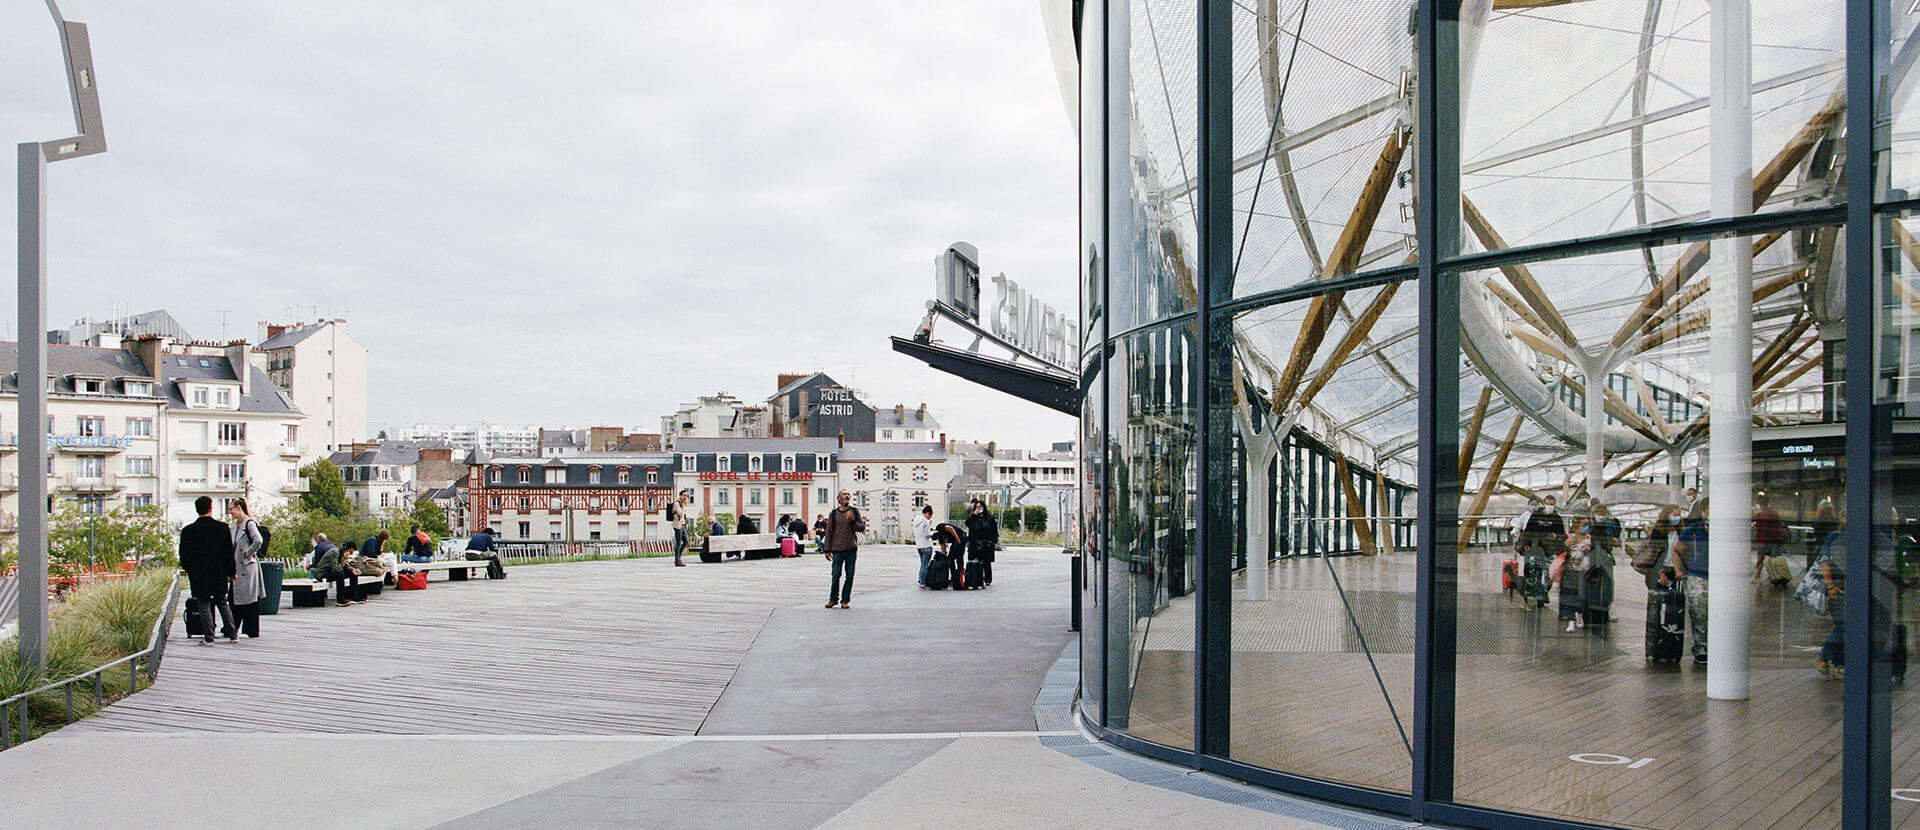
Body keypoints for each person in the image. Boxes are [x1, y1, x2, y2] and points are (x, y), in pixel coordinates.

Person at [178, 496, 235, 645]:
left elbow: (184, 555)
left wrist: (189, 569)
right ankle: (233, 634)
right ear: (211, 508)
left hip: (198, 575)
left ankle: (209, 637)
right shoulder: (222, 528)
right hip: (218, 572)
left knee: (203, 604)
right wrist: (231, 571)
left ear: (197, 509)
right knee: (222, 602)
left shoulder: (188, 531)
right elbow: (228, 553)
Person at [1673, 499, 1711, 664]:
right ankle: (1701, 646)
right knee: (1698, 612)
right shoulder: (1693, 531)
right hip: (1697, 576)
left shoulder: (1726, 531)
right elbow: (1677, 551)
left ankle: (1715, 645)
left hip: (1720, 577)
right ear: (1703, 512)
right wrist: (1678, 570)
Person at [227, 498, 266, 639]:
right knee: (235, 598)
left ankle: (250, 630)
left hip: (247, 567)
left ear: (238, 508)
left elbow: (258, 540)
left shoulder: (249, 523)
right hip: (239, 567)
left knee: (249, 599)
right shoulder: (235, 526)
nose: (229, 512)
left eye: (231, 509)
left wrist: (248, 553)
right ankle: (233, 627)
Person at [822, 490, 866, 608]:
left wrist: (853, 522)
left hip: (850, 549)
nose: (846, 496)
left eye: (848, 494)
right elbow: (829, 532)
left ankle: (845, 600)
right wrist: (827, 550)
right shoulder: (834, 514)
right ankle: (833, 599)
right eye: (844, 494)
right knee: (836, 575)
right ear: (839, 499)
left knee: (849, 576)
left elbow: (861, 528)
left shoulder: (854, 511)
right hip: (837, 549)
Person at [1580, 504, 1621, 629]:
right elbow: (1579, 535)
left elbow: (1616, 539)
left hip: (1605, 555)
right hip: (1590, 555)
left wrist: (1614, 541)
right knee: (1588, 582)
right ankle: (1584, 611)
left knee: (1607, 582)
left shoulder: (1610, 524)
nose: (1601, 517)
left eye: (1603, 514)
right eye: (1598, 514)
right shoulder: (1587, 525)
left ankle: (1608, 609)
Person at [1814, 520, 1845, 679]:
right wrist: (1830, 584)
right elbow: (1824, 561)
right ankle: (1824, 656)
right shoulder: (1835, 537)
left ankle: (1839, 664)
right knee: (1844, 624)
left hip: (1849, 588)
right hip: (1837, 588)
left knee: (1845, 626)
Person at [313, 537, 362, 607]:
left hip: (330, 571)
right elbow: (335, 568)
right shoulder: (335, 553)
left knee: (352, 574)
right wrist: (344, 560)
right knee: (340, 575)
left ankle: (354, 596)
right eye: (351, 551)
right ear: (347, 549)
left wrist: (353, 570)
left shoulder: (341, 552)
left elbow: (345, 566)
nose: (351, 554)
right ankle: (340, 599)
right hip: (322, 573)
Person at [1643, 505, 1681, 591]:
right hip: (1661, 570)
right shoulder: (1658, 532)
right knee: (1657, 597)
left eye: (1679, 515)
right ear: (1667, 515)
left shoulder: (1679, 531)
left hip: (1675, 570)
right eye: (1675, 515)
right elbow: (1653, 556)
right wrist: (1660, 573)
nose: (1678, 518)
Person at [965, 499, 1000, 587]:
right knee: (974, 561)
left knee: (986, 562)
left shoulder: (989, 518)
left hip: (986, 543)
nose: (978, 508)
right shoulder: (973, 517)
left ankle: (987, 579)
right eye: (976, 507)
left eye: (980, 506)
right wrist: (974, 515)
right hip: (975, 542)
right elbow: (967, 524)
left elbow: (994, 531)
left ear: (984, 507)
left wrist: (993, 541)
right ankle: (976, 578)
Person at [1753, 496, 1786, 580]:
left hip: (1763, 539)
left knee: (1760, 558)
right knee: (1773, 559)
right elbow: (1778, 525)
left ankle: (1757, 575)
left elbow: (1759, 529)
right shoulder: (1775, 513)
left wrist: (1758, 540)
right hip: (1775, 539)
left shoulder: (1760, 515)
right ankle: (1773, 576)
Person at [912, 505, 934, 587]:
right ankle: (923, 583)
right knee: (925, 566)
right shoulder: (926, 521)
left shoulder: (915, 521)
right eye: (930, 515)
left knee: (922, 565)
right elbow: (926, 534)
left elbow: (913, 534)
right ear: (928, 513)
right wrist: (933, 533)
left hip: (919, 546)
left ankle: (921, 580)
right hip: (926, 545)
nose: (930, 517)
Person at [668, 491, 691, 567]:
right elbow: (680, 513)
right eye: (684, 495)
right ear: (680, 495)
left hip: (682, 525)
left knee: (686, 541)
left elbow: (684, 515)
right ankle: (677, 560)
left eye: (686, 495)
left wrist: (684, 504)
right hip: (677, 525)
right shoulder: (676, 503)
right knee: (678, 543)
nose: (685, 497)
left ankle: (679, 558)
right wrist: (683, 504)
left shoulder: (682, 504)